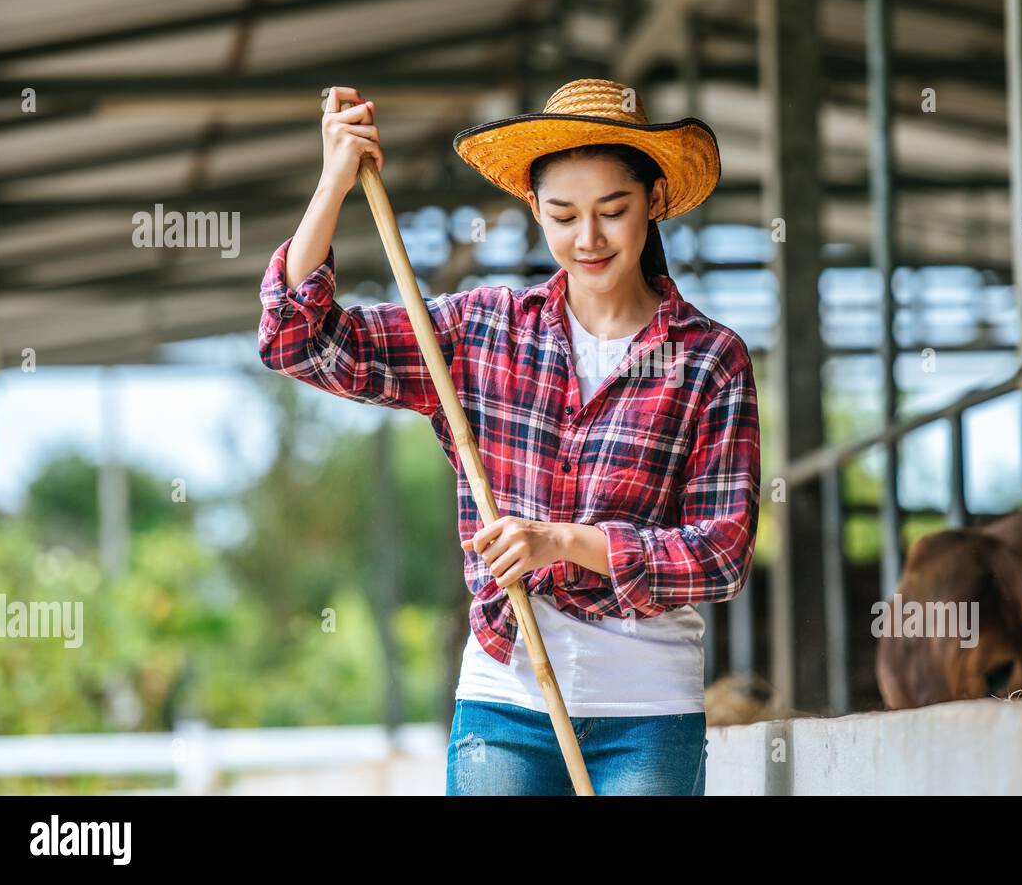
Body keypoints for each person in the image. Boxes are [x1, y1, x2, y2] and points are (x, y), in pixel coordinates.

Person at [258, 77, 761, 796]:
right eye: (562, 215)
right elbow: (296, 339)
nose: (587, 239)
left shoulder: (710, 358)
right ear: (534, 209)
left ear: (653, 203)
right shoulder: (482, 331)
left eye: (612, 211)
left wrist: (563, 541)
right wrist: (336, 180)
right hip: (505, 702)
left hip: (647, 711)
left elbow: (722, 554)